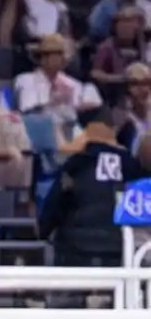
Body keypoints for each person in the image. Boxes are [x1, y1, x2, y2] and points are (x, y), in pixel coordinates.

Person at [38, 106, 137, 267]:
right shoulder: (131, 165)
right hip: (119, 244)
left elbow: (55, 203)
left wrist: (44, 230)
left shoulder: (76, 163)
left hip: (76, 244)